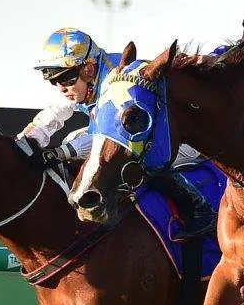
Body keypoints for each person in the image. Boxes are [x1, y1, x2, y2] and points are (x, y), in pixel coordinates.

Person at [27, 28, 215, 239]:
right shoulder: (82, 80)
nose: (61, 88)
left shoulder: (114, 78)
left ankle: (200, 207)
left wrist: (61, 153)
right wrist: (30, 138)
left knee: (135, 158)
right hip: (132, 132)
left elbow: (111, 137)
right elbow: (56, 111)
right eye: (54, 81)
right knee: (72, 140)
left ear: (88, 69)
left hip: (175, 138)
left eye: (66, 79)